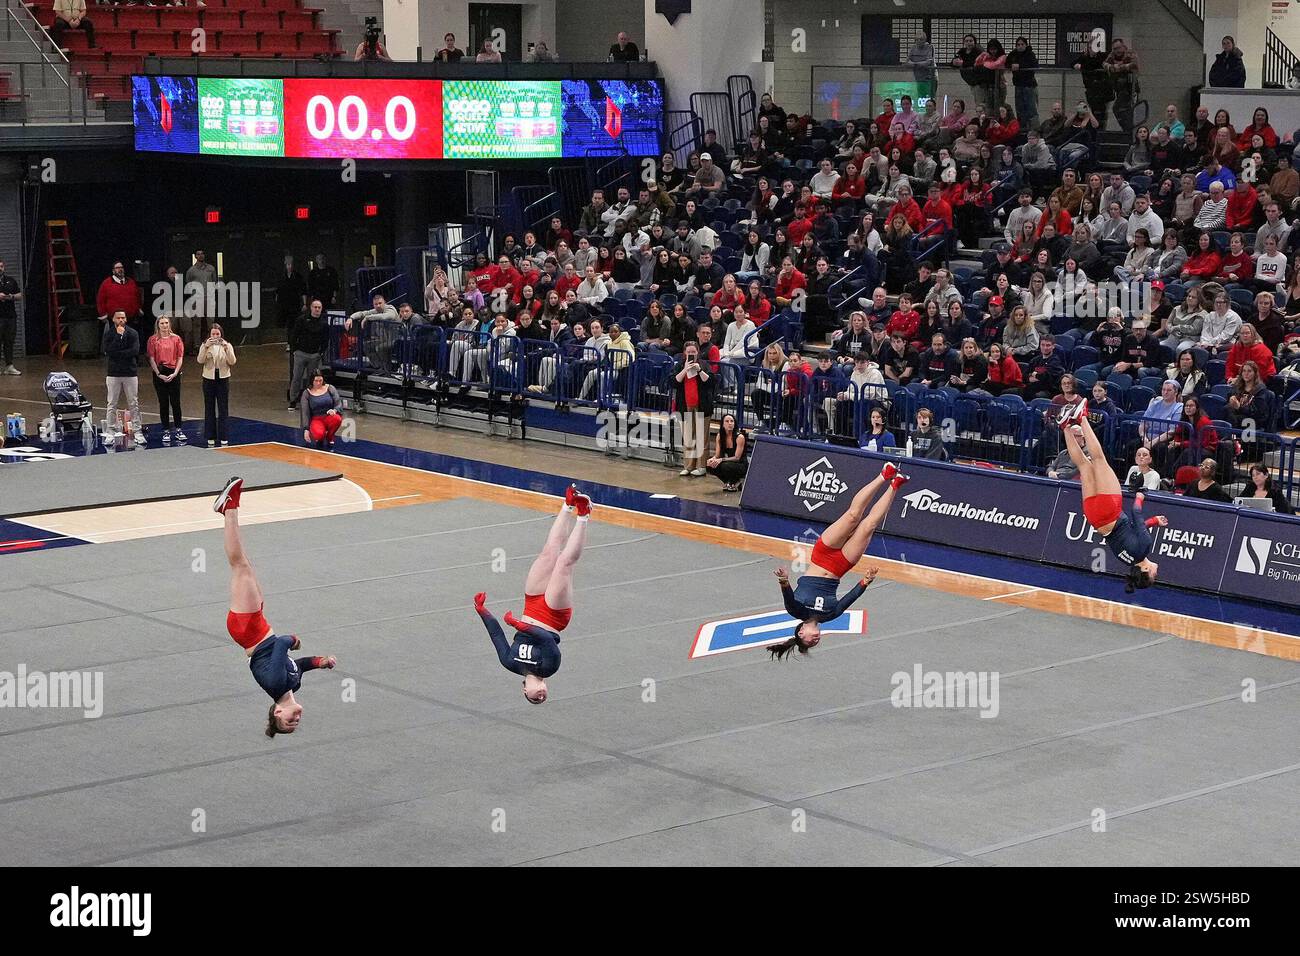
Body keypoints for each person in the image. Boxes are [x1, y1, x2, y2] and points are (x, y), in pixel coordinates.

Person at [214, 477, 337, 737]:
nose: (296, 719)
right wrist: (321, 662)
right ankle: (229, 509)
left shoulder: (276, 683)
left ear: (277, 713)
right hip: (257, 628)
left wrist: (293, 639)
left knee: (239, 565)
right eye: (297, 723)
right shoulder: (291, 685)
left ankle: (229, 507)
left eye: (289, 722)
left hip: (249, 630)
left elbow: (281, 644)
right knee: (245, 564)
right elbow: (299, 665)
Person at [768, 463, 908, 660]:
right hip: (841, 566)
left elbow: (788, 596)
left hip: (822, 556)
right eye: (816, 642)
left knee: (852, 516)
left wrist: (783, 580)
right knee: (869, 526)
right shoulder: (830, 615)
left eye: (810, 641)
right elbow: (849, 599)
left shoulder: (796, 611)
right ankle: (895, 485)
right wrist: (865, 581)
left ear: (801, 633)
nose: (815, 640)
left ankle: (883, 475)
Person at [474, 486, 592, 704]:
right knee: (563, 564)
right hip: (553, 618)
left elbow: (497, 637)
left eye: (534, 699)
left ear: (524, 691)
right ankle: (584, 515)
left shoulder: (510, 662)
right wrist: (518, 625)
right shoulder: (549, 667)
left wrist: (482, 611)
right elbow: (545, 638)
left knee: (548, 552)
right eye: (543, 698)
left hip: (531, 606)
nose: (541, 696)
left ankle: (567, 504)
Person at [1056, 403, 1168, 592]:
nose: (1157, 572)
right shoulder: (1128, 559)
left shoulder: (1145, 548)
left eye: (1154, 576)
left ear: (1146, 570)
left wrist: (1140, 497)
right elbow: (1134, 532)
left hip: (1110, 511)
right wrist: (1154, 521)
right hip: (1095, 518)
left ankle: (1082, 417)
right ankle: (1065, 426)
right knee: (1084, 466)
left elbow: (1135, 514)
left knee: (1098, 460)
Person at [102, 310, 145, 445]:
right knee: (112, 404)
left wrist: (118, 353)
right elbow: (108, 351)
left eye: (123, 317)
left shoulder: (133, 333)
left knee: (133, 403)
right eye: (118, 318)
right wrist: (118, 337)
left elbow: (134, 351)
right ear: (114, 320)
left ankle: (137, 431)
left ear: (126, 319)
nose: (121, 320)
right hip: (113, 374)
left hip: (130, 373)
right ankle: (110, 432)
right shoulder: (109, 334)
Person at [674, 340, 714, 476]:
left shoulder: (704, 365)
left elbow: (710, 382)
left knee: (702, 438)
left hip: (702, 406)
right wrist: (685, 369)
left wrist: (699, 370)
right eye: (688, 352)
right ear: (684, 353)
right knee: (688, 438)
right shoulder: (679, 365)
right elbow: (673, 382)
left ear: (698, 352)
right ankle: (689, 466)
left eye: (694, 352)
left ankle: (702, 466)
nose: (691, 354)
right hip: (685, 406)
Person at [146, 314, 186, 445]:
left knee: (175, 402)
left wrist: (175, 373)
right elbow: (151, 358)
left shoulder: (177, 339)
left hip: (173, 372)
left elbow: (180, 357)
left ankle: (179, 429)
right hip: (160, 372)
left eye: (166, 323)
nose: (164, 325)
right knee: (163, 402)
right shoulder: (153, 340)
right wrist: (158, 373)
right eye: (162, 323)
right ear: (158, 325)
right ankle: (166, 430)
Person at [197, 322, 236, 447]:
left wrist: (227, 348)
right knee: (209, 408)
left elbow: (232, 361)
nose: (215, 336)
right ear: (210, 335)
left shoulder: (227, 345)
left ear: (221, 334)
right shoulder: (205, 345)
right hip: (209, 379)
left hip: (223, 378)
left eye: (217, 334)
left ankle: (224, 436)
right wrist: (205, 347)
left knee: (223, 408)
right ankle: (210, 436)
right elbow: (200, 360)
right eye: (213, 334)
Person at [288, 298, 326, 410]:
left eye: (319, 307)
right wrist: (294, 349)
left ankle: (310, 401)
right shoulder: (302, 320)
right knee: (297, 378)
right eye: (315, 307)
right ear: (311, 308)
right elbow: (294, 334)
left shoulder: (323, 323)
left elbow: (325, 339)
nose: (317, 309)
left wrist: (321, 352)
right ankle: (293, 401)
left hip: (314, 355)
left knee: (312, 379)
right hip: (300, 353)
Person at [299, 371, 342, 451]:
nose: (318, 383)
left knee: (337, 419)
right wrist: (306, 429)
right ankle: (321, 436)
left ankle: (330, 436)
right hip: (316, 418)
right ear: (312, 380)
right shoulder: (307, 393)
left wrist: (334, 410)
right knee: (319, 435)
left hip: (329, 416)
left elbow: (338, 403)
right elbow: (305, 412)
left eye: (320, 381)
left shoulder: (330, 388)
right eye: (316, 381)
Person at [706, 413, 748, 492]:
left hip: (740, 464)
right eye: (727, 421)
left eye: (732, 421)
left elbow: (737, 458)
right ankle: (729, 483)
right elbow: (717, 455)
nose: (730, 423)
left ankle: (734, 482)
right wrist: (712, 459)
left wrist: (721, 459)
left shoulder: (740, 437)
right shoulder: (720, 436)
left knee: (725, 466)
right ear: (722, 424)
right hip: (728, 462)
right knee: (710, 465)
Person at [0, 259, 23, 375]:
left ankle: (9, 366)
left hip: (10, 317)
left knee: (9, 341)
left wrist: (11, 296)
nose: (0, 268)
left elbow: (19, 295)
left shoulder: (10, 280)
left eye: (1, 266)